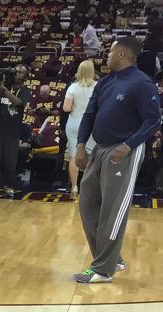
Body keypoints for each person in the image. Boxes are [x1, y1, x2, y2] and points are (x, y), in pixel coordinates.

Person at [74, 36, 161, 283]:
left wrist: (128, 145)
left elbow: (153, 120)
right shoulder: (106, 81)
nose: (107, 55)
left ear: (122, 54)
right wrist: (80, 145)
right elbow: (89, 114)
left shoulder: (142, 83)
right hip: (99, 148)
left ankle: (103, 270)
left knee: (113, 210)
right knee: (88, 205)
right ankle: (113, 259)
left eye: (110, 52)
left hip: (123, 151)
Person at [0, 65, 31, 198]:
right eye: (15, 71)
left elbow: (18, 102)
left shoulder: (25, 90)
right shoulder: (1, 86)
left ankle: (9, 186)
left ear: (26, 76)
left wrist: (3, 89)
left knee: (10, 162)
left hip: (13, 131)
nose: (16, 73)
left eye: (20, 72)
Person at [63, 59, 97, 197]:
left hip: (74, 123)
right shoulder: (98, 86)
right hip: (91, 123)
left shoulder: (73, 87)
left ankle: (74, 188)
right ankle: (89, 188)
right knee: (92, 156)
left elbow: (66, 108)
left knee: (73, 155)